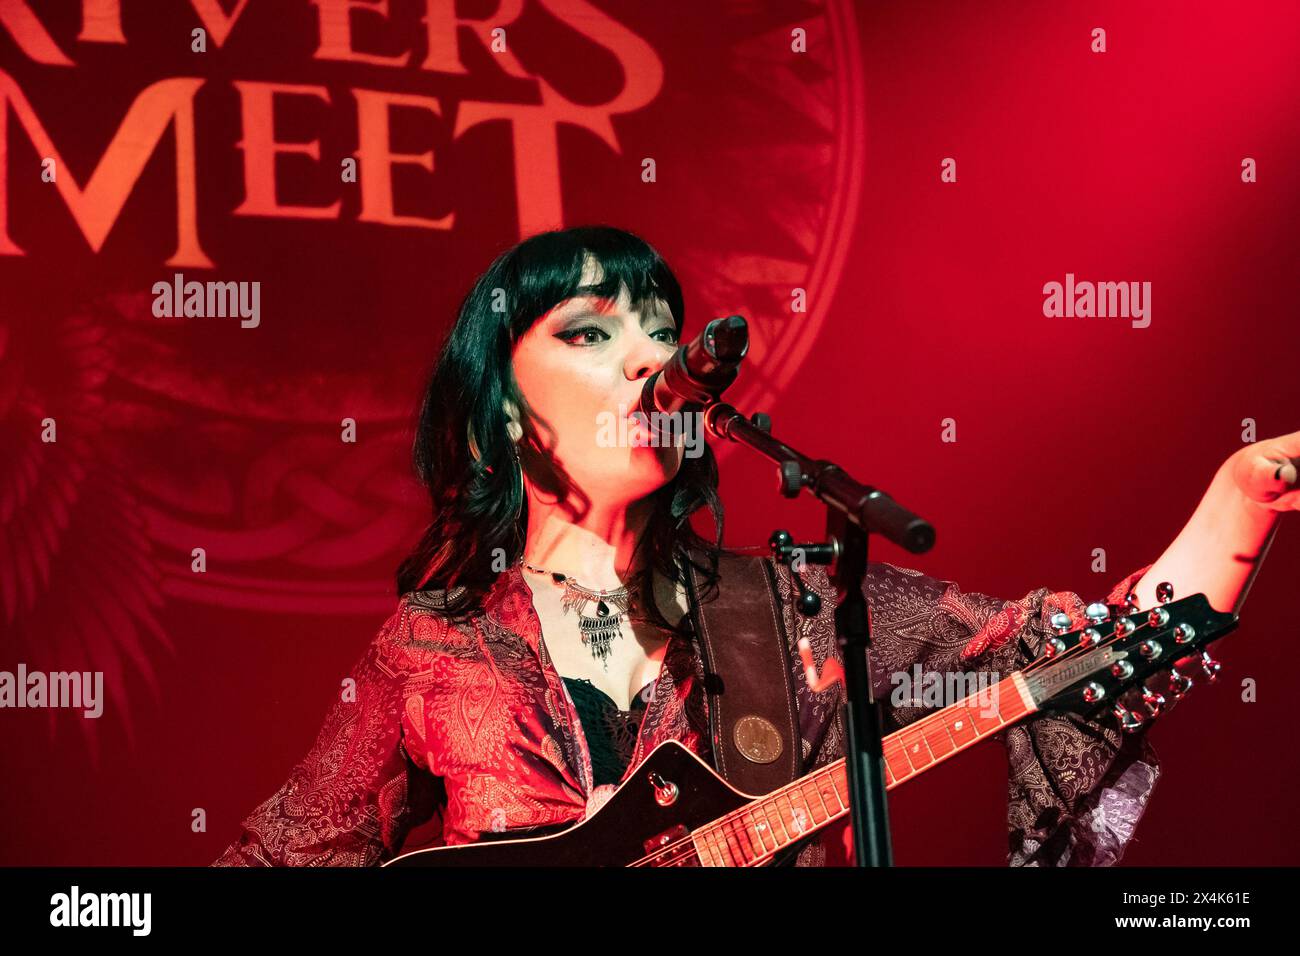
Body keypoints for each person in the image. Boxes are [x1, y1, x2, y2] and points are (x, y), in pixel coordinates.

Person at [212, 225, 1296, 867]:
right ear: (501, 407)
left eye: (658, 328)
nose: (648, 355)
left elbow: (1059, 655)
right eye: (592, 330)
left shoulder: (797, 605)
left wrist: (1240, 494)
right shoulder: (428, 647)